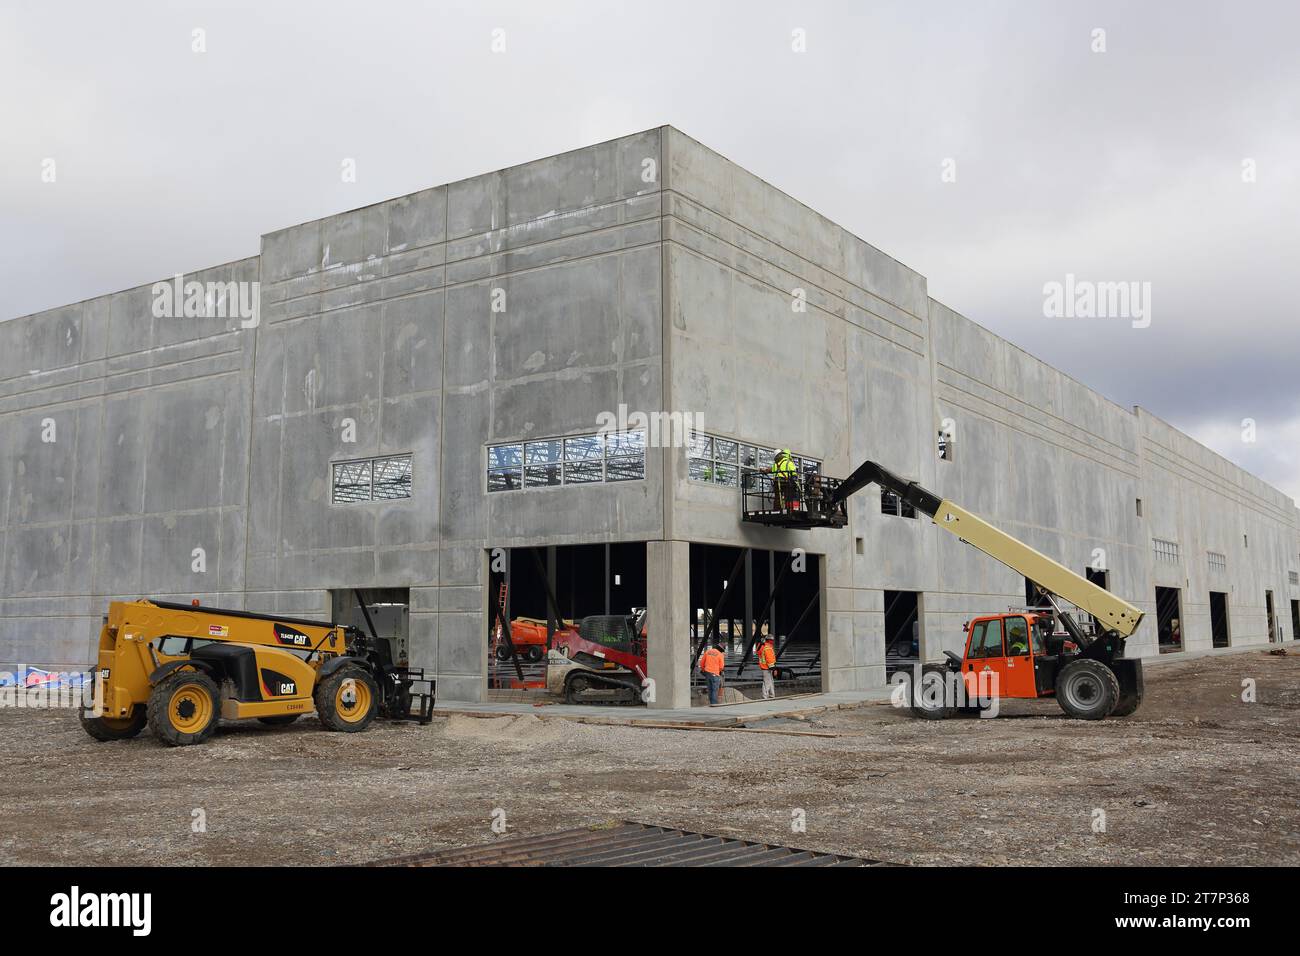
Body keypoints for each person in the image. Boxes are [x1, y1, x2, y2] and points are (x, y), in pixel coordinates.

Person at [755, 626, 777, 700]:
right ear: (770, 640)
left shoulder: (762, 646)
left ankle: (772, 695)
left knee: (770, 682)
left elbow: (758, 652)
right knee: (767, 683)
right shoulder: (768, 648)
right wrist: (774, 669)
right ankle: (765, 697)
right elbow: (769, 659)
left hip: (765, 667)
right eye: (772, 640)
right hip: (767, 668)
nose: (773, 641)